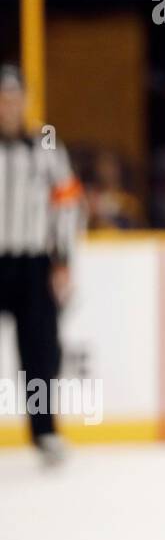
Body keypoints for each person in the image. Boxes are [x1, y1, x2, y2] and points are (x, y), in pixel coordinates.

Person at [0, 65, 82, 466]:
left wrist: (62, 260)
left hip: (33, 263)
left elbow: (67, 202)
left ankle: (44, 431)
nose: (8, 107)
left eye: (14, 98)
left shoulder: (45, 146)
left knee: (40, 352)